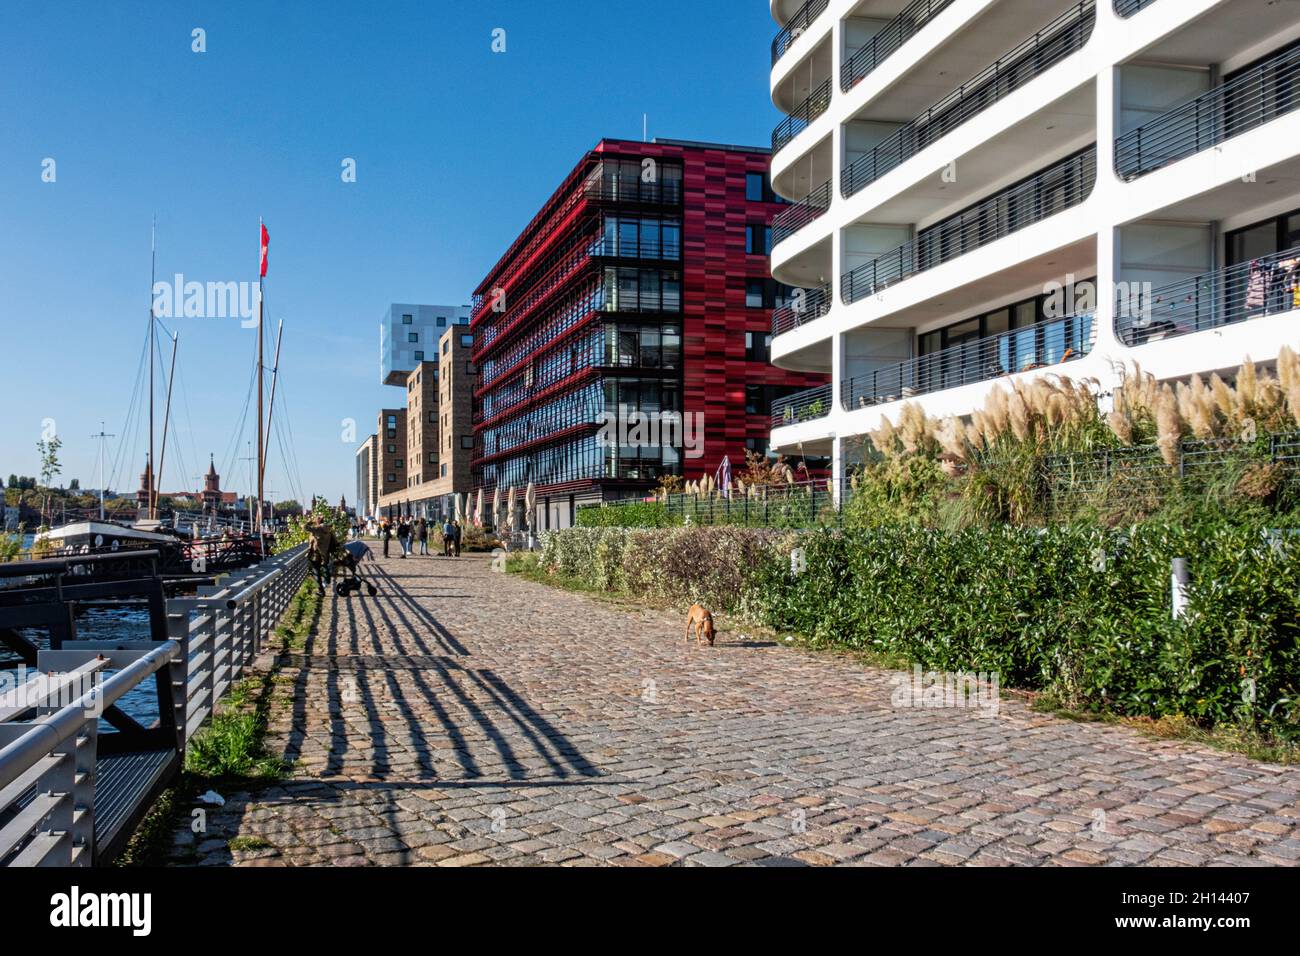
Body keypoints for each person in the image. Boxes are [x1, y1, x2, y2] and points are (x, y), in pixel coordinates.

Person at [306, 516, 338, 594]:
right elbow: (335, 541)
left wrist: (310, 521)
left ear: (318, 521)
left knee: (316, 571)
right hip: (325, 553)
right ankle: (327, 580)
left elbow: (305, 527)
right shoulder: (328, 530)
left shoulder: (318, 529)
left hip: (316, 554)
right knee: (324, 566)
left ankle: (321, 590)